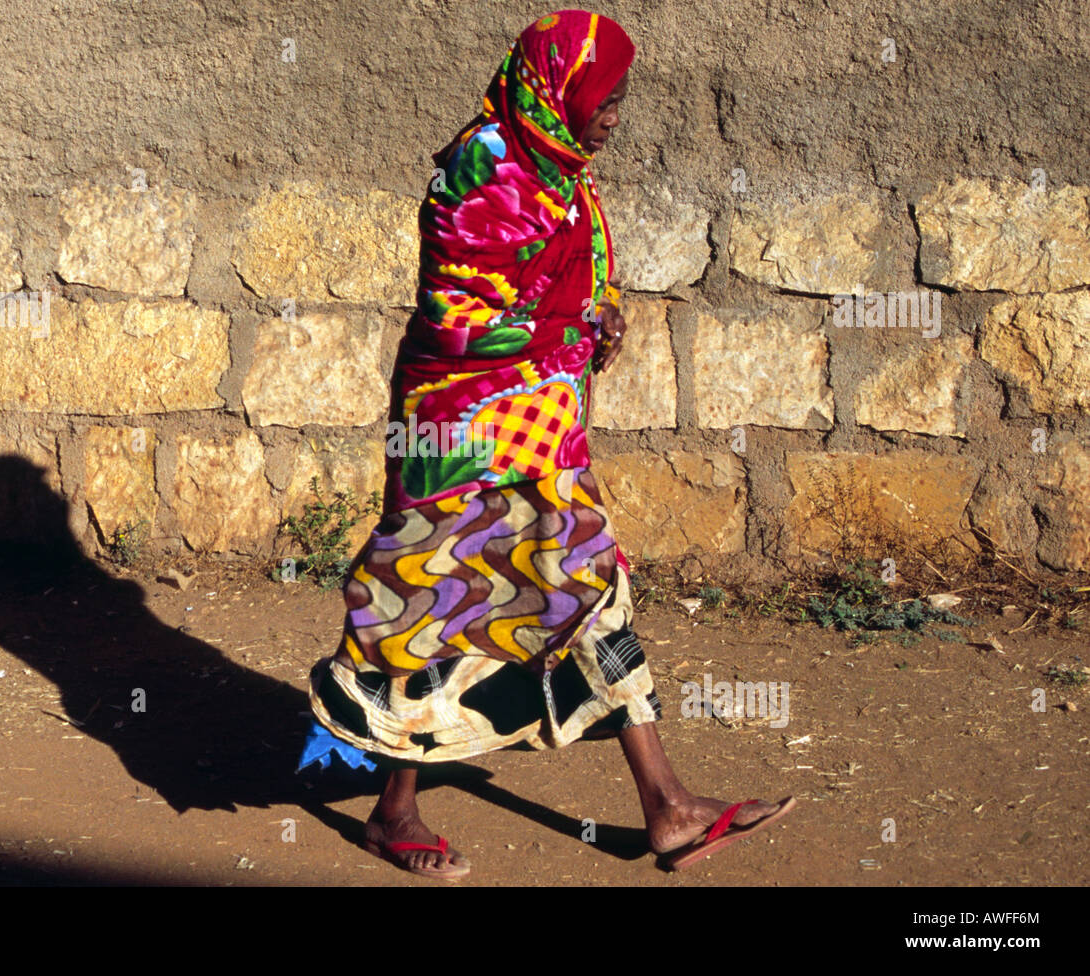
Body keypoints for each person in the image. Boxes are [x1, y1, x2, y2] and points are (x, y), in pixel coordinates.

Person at [304, 8, 794, 878]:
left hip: (540, 429)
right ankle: (393, 811)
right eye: (603, 97)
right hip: (460, 432)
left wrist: (599, 321)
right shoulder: (481, 166)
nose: (615, 115)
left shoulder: (565, 173)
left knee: (593, 585)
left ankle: (668, 805)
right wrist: (566, 326)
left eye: (619, 98)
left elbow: (569, 288)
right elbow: (458, 319)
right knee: (436, 607)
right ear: (555, 89)